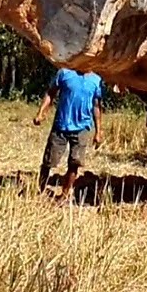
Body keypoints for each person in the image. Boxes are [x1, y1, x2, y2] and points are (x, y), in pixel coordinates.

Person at [33, 67, 103, 201]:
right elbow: (51, 93)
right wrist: (41, 112)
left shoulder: (96, 80)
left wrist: (98, 131)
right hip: (61, 125)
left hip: (83, 127)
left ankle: (64, 195)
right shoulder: (64, 73)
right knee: (48, 161)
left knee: (74, 162)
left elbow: (96, 106)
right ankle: (40, 190)